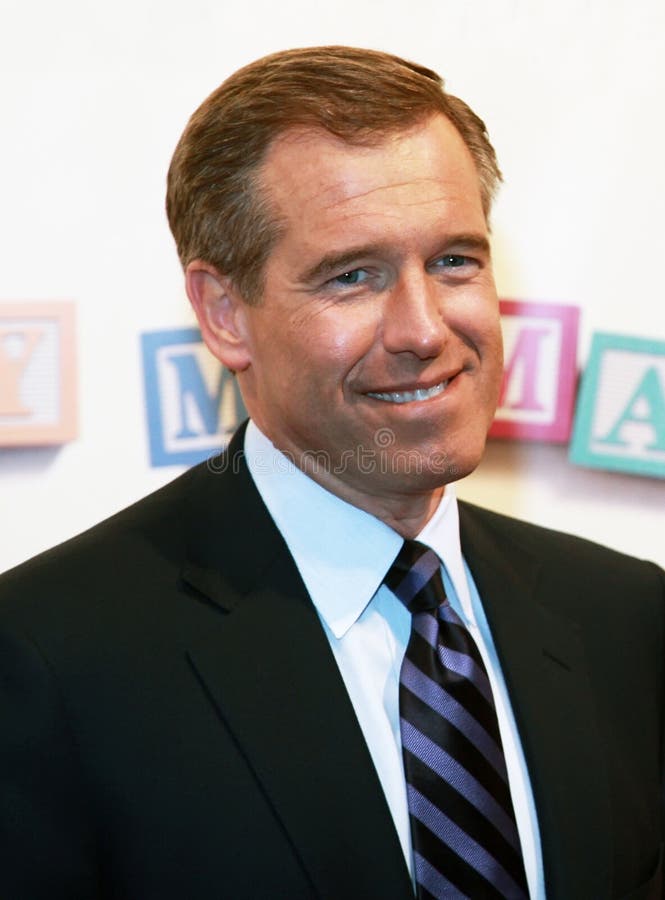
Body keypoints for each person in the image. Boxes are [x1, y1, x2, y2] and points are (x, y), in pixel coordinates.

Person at [0, 46, 663, 900]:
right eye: (353, 276)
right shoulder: (48, 658)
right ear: (225, 314)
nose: (424, 328)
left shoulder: (623, 620)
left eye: (455, 260)